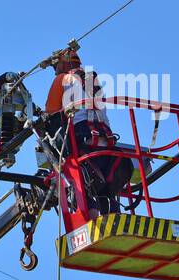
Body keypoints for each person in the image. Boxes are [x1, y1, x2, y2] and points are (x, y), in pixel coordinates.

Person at [43, 48, 133, 217]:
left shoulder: (61, 80)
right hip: (106, 143)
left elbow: (50, 115)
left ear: (63, 63)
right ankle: (115, 222)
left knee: (85, 189)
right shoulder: (93, 79)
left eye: (55, 66)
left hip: (82, 141)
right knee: (108, 191)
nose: (54, 71)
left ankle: (91, 224)